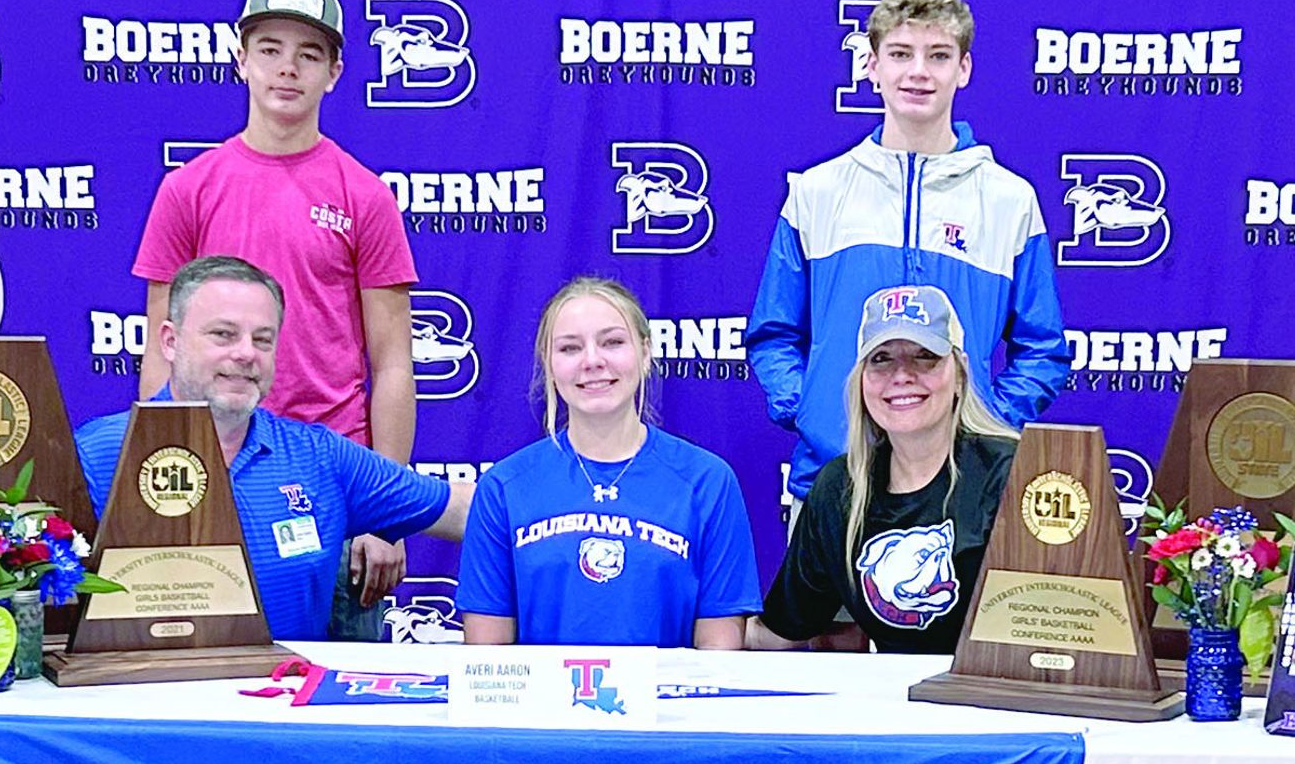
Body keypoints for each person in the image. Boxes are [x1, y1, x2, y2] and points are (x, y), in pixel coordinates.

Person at [132, 0, 417, 638]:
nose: (287, 67)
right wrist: (162, 487)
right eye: (270, 48)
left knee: (343, 716)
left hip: (333, 483)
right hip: (213, 477)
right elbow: (159, 352)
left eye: (309, 54)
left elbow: (394, 362)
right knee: (201, 703)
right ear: (240, 59)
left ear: (335, 72)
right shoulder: (188, 190)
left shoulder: (365, 196)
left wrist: (385, 511)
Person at [746, 0, 1064, 524]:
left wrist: (983, 426)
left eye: (938, 56)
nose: (918, 72)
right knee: (812, 615)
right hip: (832, 480)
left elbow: (1042, 348)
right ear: (871, 66)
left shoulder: (1010, 200)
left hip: (962, 490)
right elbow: (773, 334)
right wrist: (812, 412)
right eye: (900, 54)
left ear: (964, 69)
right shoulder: (817, 192)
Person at [76, 257, 471, 643]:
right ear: (170, 341)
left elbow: (463, 510)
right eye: (224, 334)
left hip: (281, 702)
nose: (247, 353)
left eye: (262, 339)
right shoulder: (96, 455)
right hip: (135, 700)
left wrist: (534, 487)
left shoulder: (318, 458)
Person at [457, 277, 759, 648]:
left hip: (670, 706)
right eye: (569, 348)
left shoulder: (707, 483)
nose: (593, 361)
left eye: (613, 342)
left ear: (646, 353)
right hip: (538, 707)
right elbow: (489, 668)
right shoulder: (503, 488)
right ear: (549, 365)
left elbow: (718, 664)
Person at [748, 284, 1018, 654]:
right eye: (881, 359)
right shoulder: (840, 489)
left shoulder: (1012, 474)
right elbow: (780, 630)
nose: (902, 375)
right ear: (860, 381)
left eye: (925, 355)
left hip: (1000, 701)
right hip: (897, 704)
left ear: (959, 374)